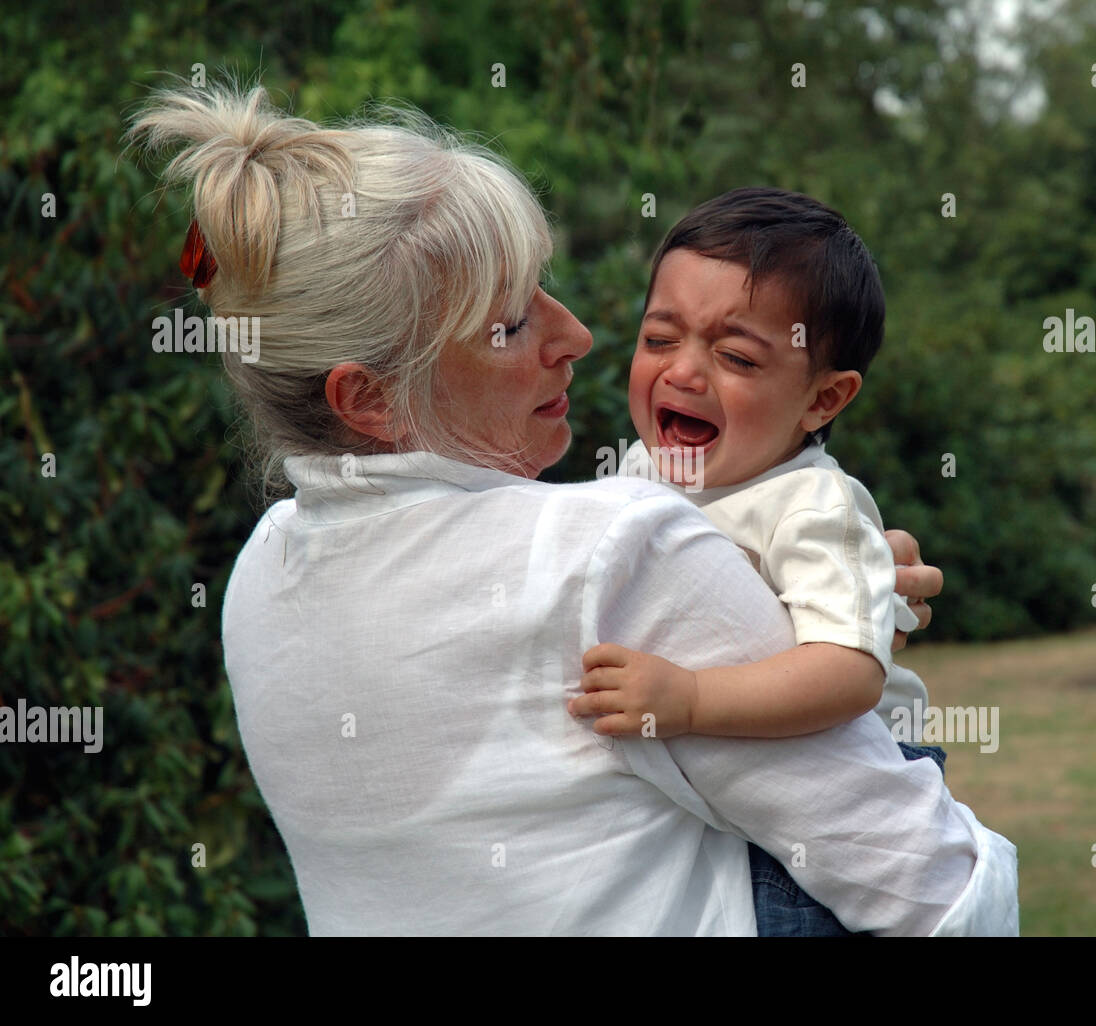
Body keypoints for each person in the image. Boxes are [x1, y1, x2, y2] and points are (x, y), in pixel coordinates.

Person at [129, 81, 1018, 935]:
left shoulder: (262, 572)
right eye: (509, 325)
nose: (579, 337)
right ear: (370, 399)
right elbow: (934, 891)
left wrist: (807, 605)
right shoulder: (615, 550)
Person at [564, 187, 950, 934]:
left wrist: (690, 701)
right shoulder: (637, 471)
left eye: (736, 355)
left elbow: (847, 671)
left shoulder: (812, 506)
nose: (682, 372)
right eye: (659, 339)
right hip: (720, 788)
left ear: (822, 400)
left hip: (841, 797)